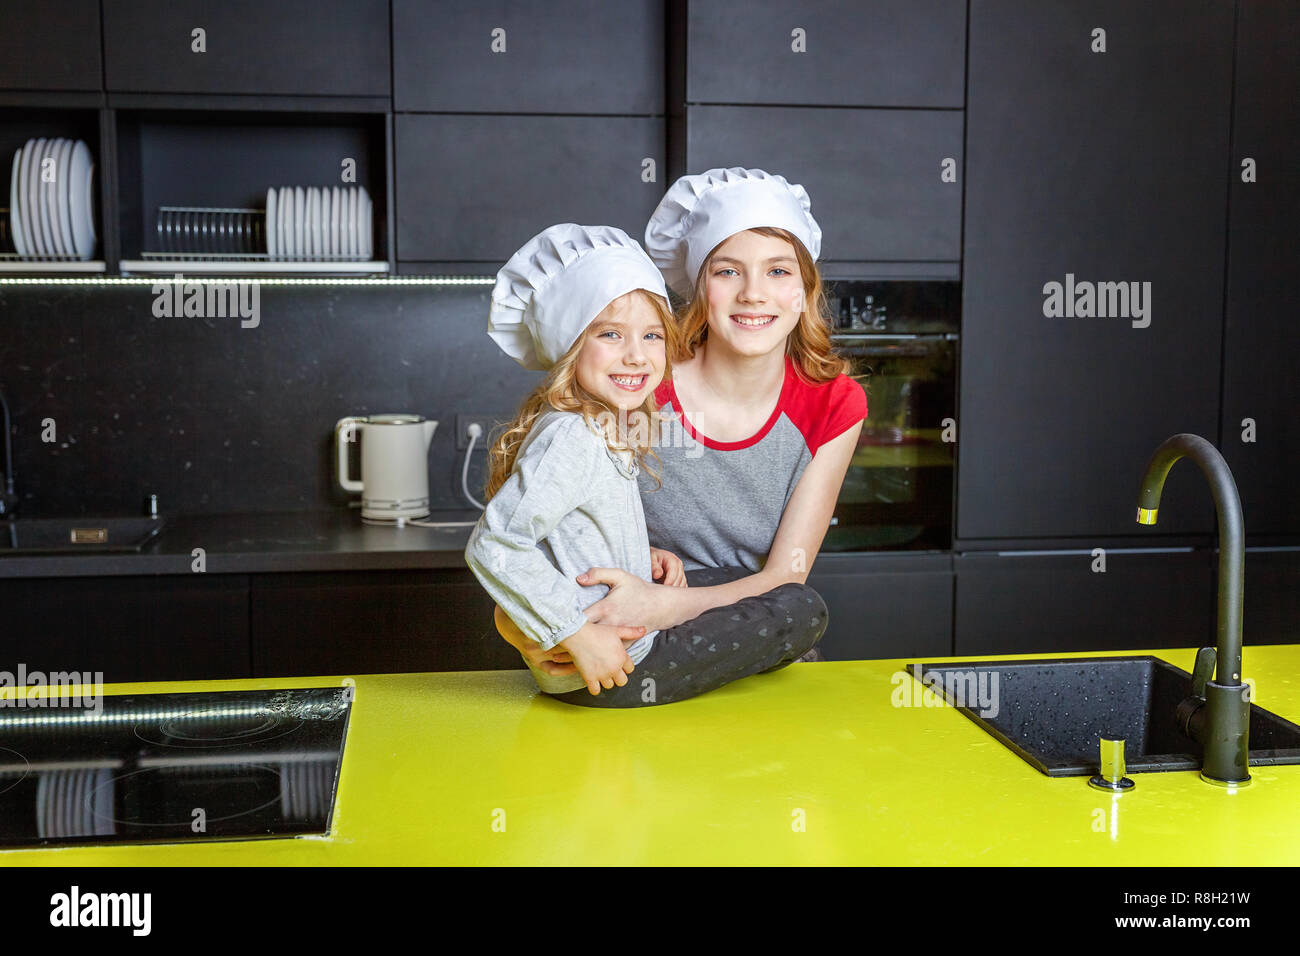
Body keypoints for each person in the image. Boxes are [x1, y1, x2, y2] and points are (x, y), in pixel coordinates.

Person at [493, 169, 868, 704]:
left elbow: (788, 577)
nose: (754, 294)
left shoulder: (833, 403)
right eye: (728, 271)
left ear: (805, 290)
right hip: (626, 644)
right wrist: (532, 634)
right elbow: (528, 538)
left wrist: (660, 604)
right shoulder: (639, 387)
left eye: (778, 271)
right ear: (699, 288)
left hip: (751, 647)